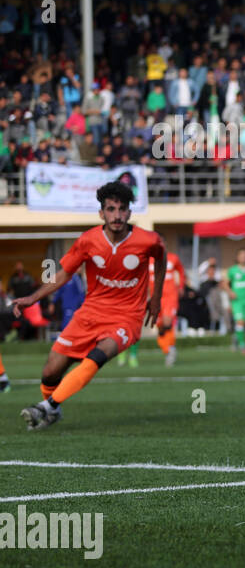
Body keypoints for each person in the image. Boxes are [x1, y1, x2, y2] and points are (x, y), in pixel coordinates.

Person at [12, 182, 166, 430]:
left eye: (122, 209)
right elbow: (63, 274)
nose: (116, 215)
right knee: (50, 371)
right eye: (111, 209)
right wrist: (33, 298)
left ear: (129, 212)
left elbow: (161, 257)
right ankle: (53, 409)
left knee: (97, 356)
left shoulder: (148, 240)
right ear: (101, 213)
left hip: (126, 317)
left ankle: (47, 406)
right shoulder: (87, 240)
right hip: (90, 313)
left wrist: (156, 297)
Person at [149, 251, 186, 365]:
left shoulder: (173, 258)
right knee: (160, 327)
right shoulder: (148, 259)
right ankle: (168, 350)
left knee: (167, 322)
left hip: (170, 296)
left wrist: (181, 286)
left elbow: (181, 270)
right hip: (155, 297)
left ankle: (171, 349)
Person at [221, 248, 245, 354]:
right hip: (237, 300)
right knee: (240, 322)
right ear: (238, 258)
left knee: (244, 322)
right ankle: (243, 345)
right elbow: (225, 284)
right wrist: (230, 292)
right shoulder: (232, 270)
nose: (243, 257)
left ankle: (236, 337)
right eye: (241, 256)